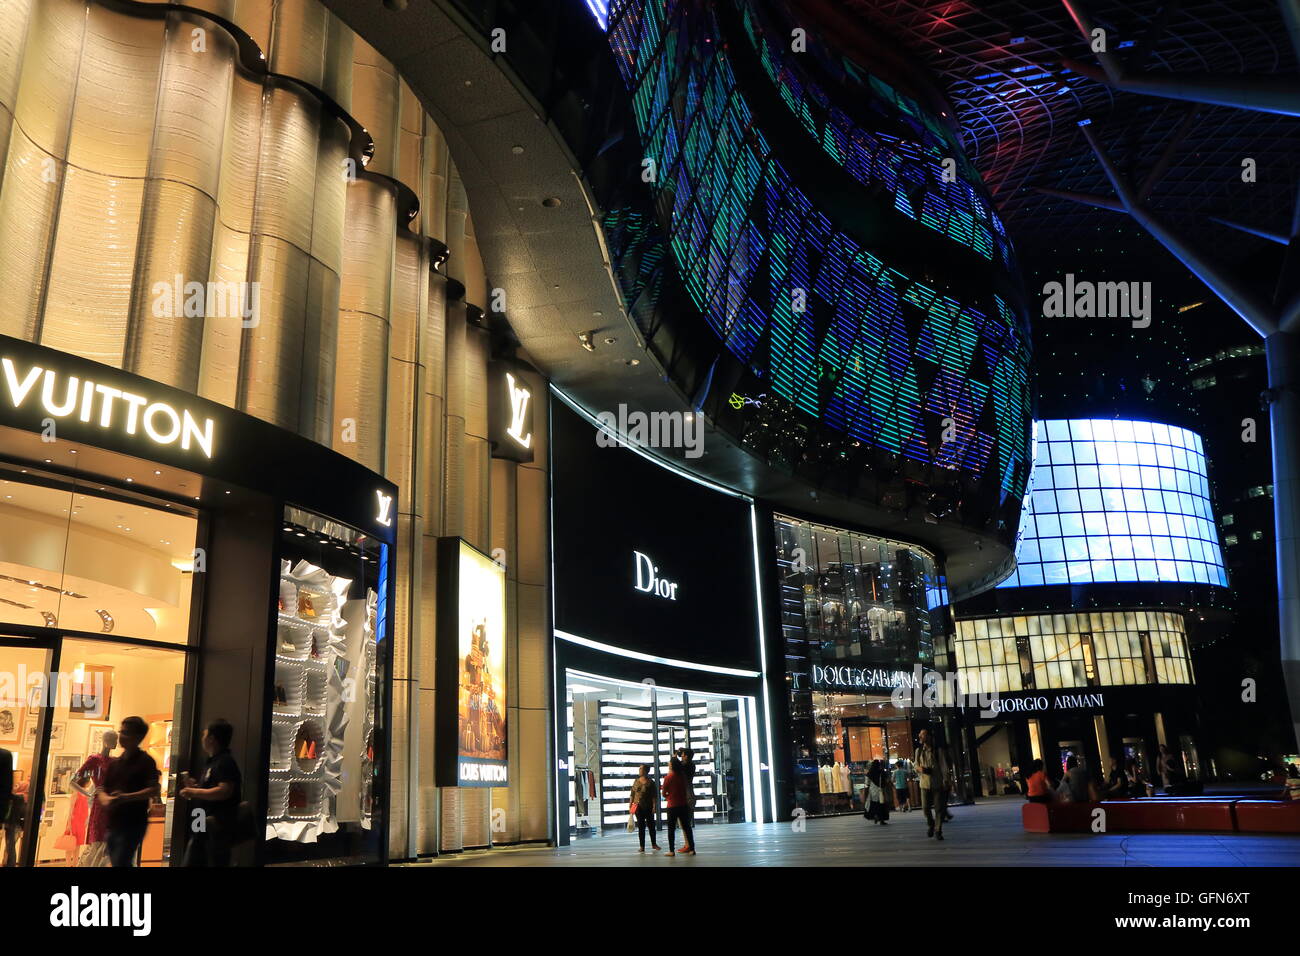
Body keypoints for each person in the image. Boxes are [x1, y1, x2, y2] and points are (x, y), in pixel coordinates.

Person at [97, 716, 161, 868]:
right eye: (121, 732)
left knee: (121, 860)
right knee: (117, 860)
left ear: (138, 737)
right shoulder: (115, 764)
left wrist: (127, 797)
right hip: (113, 822)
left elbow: (153, 789)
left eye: (126, 733)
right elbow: (102, 789)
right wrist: (106, 799)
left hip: (133, 822)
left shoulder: (146, 761)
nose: (121, 736)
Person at [179, 719, 242, 867]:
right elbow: (211, 789)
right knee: (195, 855)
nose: (203, 738)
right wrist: (196, 788)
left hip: (215, 824)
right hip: (200, 819)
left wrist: (194, 791)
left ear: (212, 739)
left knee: (209, 860)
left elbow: (225, 791)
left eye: (204, 734)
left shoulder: (224, 761)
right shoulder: (212, 762)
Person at [67, 729, 116, 867]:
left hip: (112, 804)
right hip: (100, 806)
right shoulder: (95, 760)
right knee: (99, 840)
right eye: (113, 739)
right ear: (105, 742)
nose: (116, 743)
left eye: (117, 739)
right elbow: (72, 781)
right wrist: (89, 794)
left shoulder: (114, 761)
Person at [915, 728, 947, 840]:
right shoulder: (918, 751)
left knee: (938, 808)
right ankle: (931, 824)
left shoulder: (938, 751)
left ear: (929, 737)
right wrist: (921, 769)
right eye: (920, 735)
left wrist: (946, 780)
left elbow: (943, 767)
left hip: (936, 783)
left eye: (922, 735)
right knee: (925, 808)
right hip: (924, 784)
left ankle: (938, 830)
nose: (920, 737)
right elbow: (915, 766)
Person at [661, 755, 694, 857]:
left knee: (671, 829)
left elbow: (664, 792)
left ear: (671, 765)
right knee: (687, 827)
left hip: (672, 805)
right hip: (683, 804)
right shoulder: (683, 776)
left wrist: (668, 796)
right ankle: (692, 849)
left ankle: (671, 850)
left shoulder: (668, 777)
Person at [628, 764, 660, 852]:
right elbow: (632, 793)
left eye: (641, 769)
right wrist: (630, 804)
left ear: (646, 771)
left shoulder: (651, 782)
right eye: (639, 768)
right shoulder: (636, 781)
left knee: (651, 826)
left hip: (648, 806)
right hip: (638, 807)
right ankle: (642, 846)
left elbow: (654, 796)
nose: (639, 770)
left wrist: (654, 806)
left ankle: (654, 844)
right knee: (641, 827)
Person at [865, 760, 890, 825]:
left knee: (874, 805)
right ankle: (882, 820)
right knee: (882, 805)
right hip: (881, 791)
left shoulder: (870, 773)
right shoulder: (882, 772)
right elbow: (887, 781)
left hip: (872, 791)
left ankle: (875, 815)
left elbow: (867, 783)